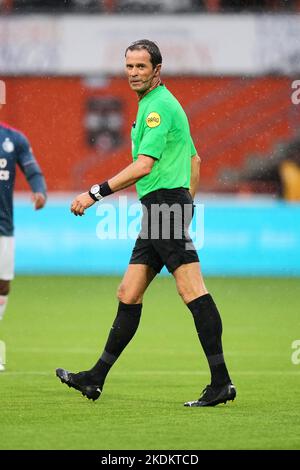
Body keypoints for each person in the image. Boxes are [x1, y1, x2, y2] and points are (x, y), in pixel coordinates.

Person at [56, 39, 236, 407]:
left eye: (141, 67)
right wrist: (188, 203)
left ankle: (221, 382)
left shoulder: (157, 108)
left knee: (192, 290)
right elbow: (195, 159)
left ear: (158, 70)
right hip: (162, 209)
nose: (134, 73)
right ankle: (95, 378)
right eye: (130, 67)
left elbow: (143, 166)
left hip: (164, 207)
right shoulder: (156, 105)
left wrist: (94, 193)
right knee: (129, 292)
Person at [0, 111, 47, 371]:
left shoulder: (13, 139)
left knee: (3, 285)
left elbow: (32, 169)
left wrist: (39, 191)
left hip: (3, 226)